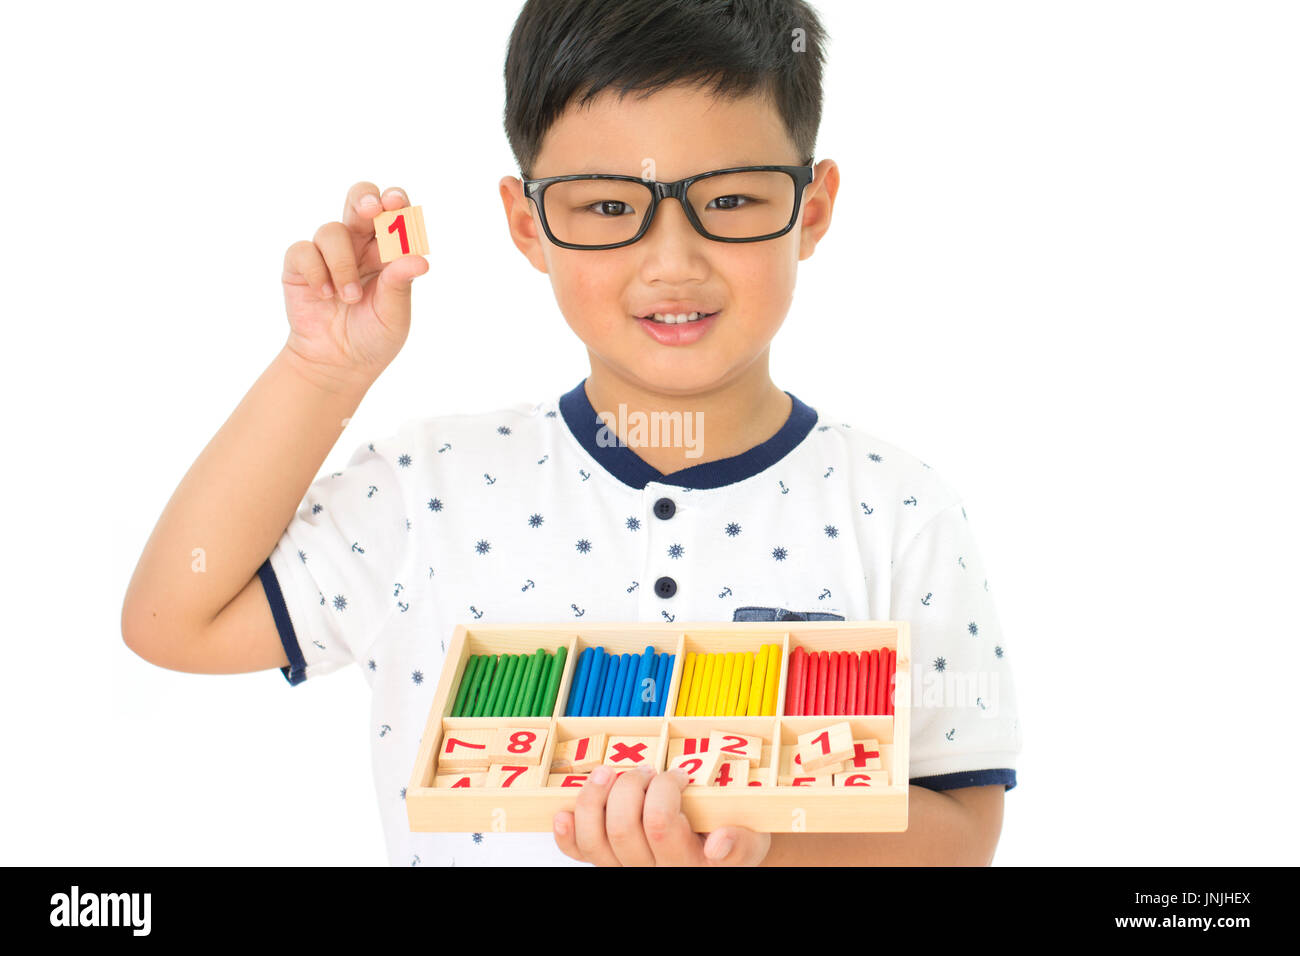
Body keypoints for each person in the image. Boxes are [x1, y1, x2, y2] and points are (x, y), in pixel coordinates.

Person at [122, 0, 1020, 866]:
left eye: (733, 201)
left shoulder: (901, 512)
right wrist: (323, 372)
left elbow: (963, 832)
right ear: (528, 225)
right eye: (607, 208)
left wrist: (766, 843)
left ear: (811, 210)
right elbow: (174, 621)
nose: (673, 262)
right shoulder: (427, 488)